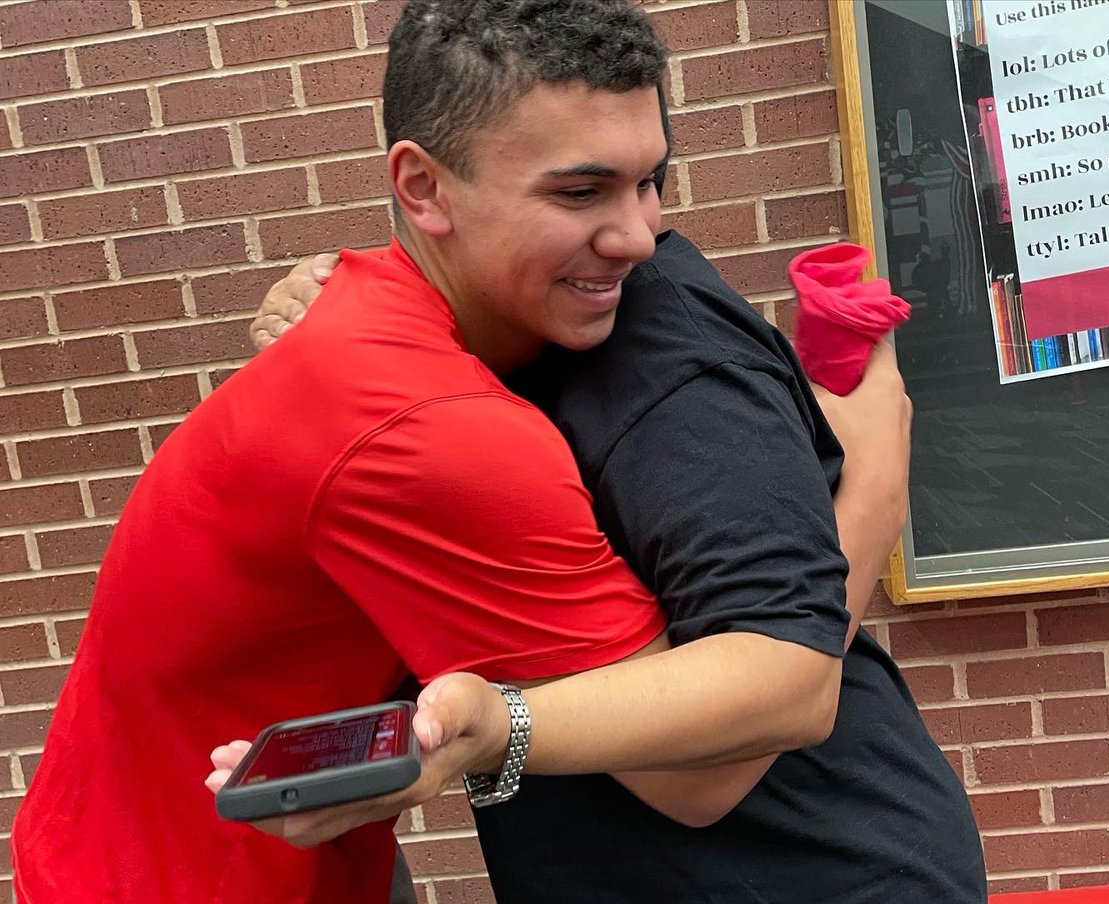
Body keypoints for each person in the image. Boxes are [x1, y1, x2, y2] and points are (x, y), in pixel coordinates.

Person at [10, 2, 931, 902]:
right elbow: (710, 771)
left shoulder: (368, 307)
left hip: (203, 835)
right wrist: (873, 495)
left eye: (651, 180)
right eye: (579, 191)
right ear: (421, 187)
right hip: (201, 874)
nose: (640, 235)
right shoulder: (433, 425)